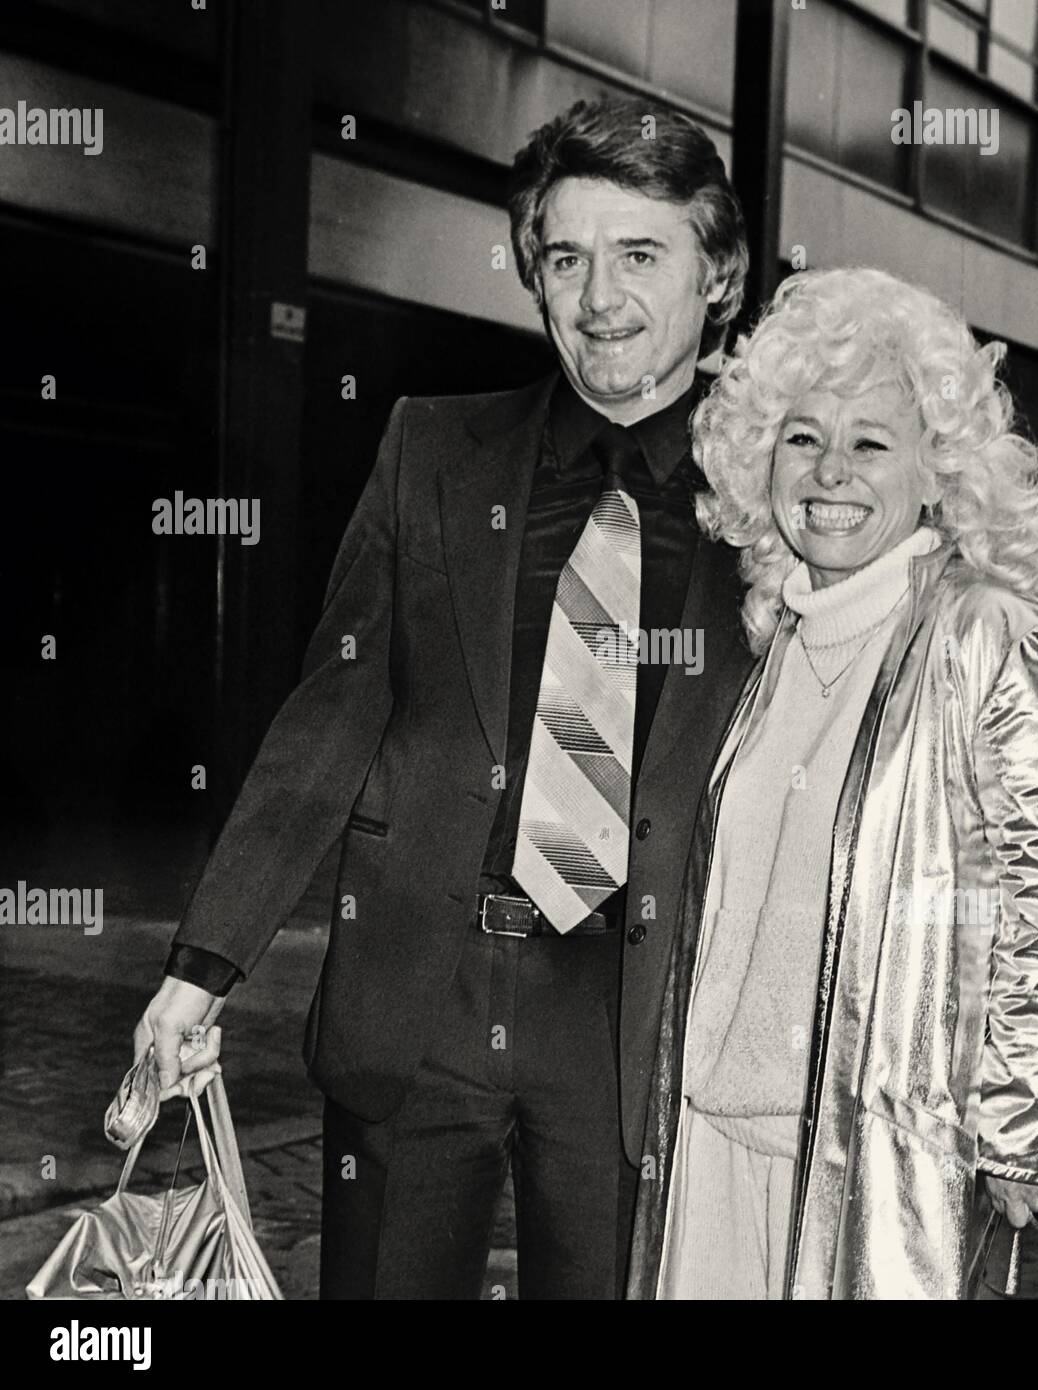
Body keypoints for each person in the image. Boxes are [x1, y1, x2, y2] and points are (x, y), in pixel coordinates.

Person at [132, 96, 755, 1299]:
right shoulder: (431, 449)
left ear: (715, 272)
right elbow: (331, 715)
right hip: (418, 996)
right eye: (565, 258)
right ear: (531, 271)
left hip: (634, 1026)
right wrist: (204, 962)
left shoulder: (774, 496)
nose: (600, 299)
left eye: (641, 254)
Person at [627, 266, 1038, 1300]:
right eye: (803, 437)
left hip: (875, 1169)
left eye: (871, 442)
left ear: (936, 469)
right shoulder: (771, 639)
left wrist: (1021, 1135)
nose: (830, 470)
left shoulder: (993, 639)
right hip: (712, 1142)